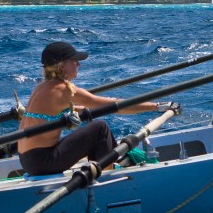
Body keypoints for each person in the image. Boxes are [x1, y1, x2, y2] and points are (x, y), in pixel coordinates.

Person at [17, 41, 174, 176]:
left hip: (28, 161)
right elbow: (115, 106)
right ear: (62, 65)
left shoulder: (42, 87)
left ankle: (110, 164)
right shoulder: (63, 89)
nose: (79, 64)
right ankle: (108, 176)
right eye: (74, 60)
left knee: (94, 131)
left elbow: (63, 110)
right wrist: (157, 106)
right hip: (44, 162)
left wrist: (82, 111)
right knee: (100, 128)